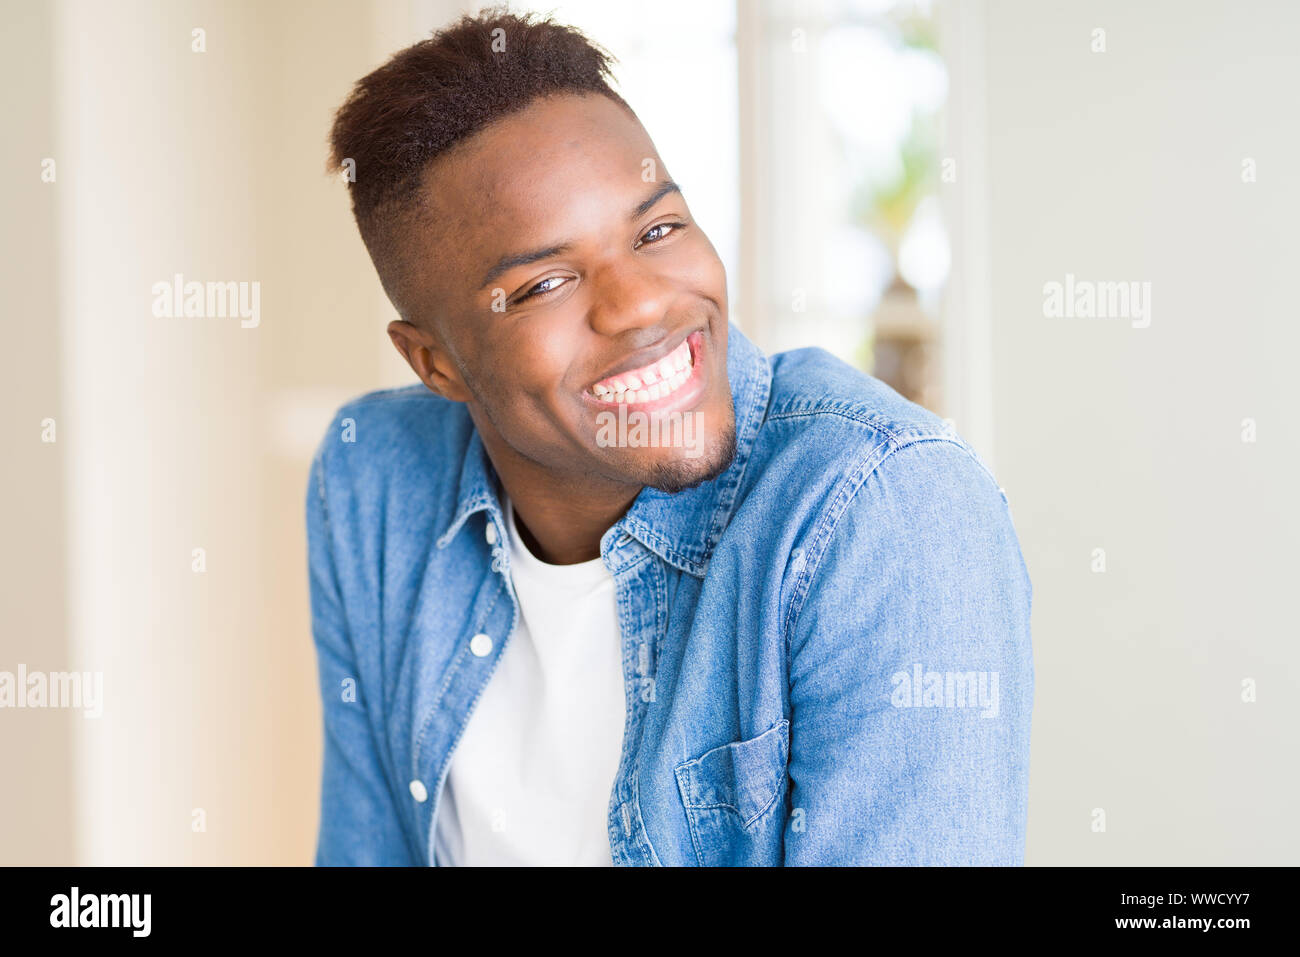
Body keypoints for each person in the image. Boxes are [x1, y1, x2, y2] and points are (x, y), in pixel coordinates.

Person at [308, 6, 1033, 866]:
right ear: (436, 364)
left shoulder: (883, 508)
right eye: (544, 284)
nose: (643, 303)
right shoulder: (373, 479)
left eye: (657, 230)